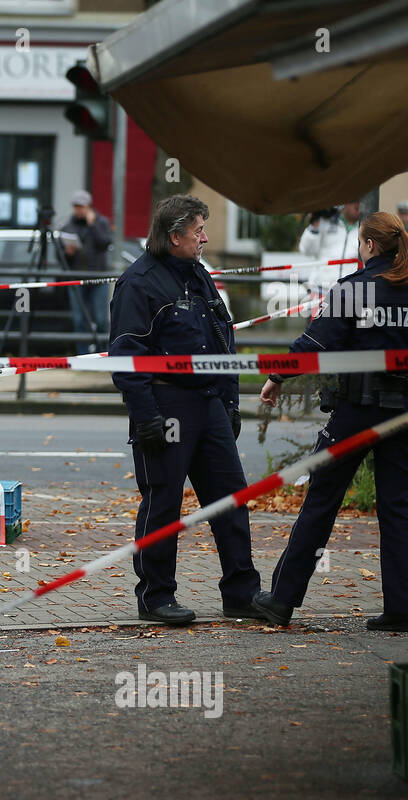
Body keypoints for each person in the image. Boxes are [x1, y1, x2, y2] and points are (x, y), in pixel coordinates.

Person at [253, 212, 408, 632]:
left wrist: (277, 377)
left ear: (368, 246)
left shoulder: (351, 290)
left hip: (355, 412)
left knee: (322, 502)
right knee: (396, 510)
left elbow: (313, 343)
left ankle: (282, 600)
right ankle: (406, 610)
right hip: (406, 412)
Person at [107, 195, 267, 625]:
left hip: (208, 402)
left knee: (230, 498)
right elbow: (126, 359)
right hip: (165, 403)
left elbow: (223, 338)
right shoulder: (138, 284)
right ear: (175, 236)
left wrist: (230, 402)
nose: (205, 237)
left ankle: (242, 592)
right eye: (198, 230)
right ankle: (156, 597)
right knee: (163, 503)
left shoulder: (198, 276)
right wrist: (146, 416)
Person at [58, 189, 113, 348]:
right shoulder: (67, 225)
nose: (78, 210)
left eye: (81, 206)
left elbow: (104, 244)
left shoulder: (101, 222)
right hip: (77, 278)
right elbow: (60, 257)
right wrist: (67, 253)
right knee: (79, 320)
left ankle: (103, 355)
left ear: (88, 206)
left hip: (98, 278)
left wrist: (93, 225)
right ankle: (82, 357)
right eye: (76, 206)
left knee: (102, 319)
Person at [298, 200, 361, 294]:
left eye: (360, 201)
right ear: (344, 204)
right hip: (321, 289)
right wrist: (314, 224)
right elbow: (306, 250)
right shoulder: (325, 220)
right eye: (354, 201)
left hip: (349, 292)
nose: (358, 204)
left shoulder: (364, 227)